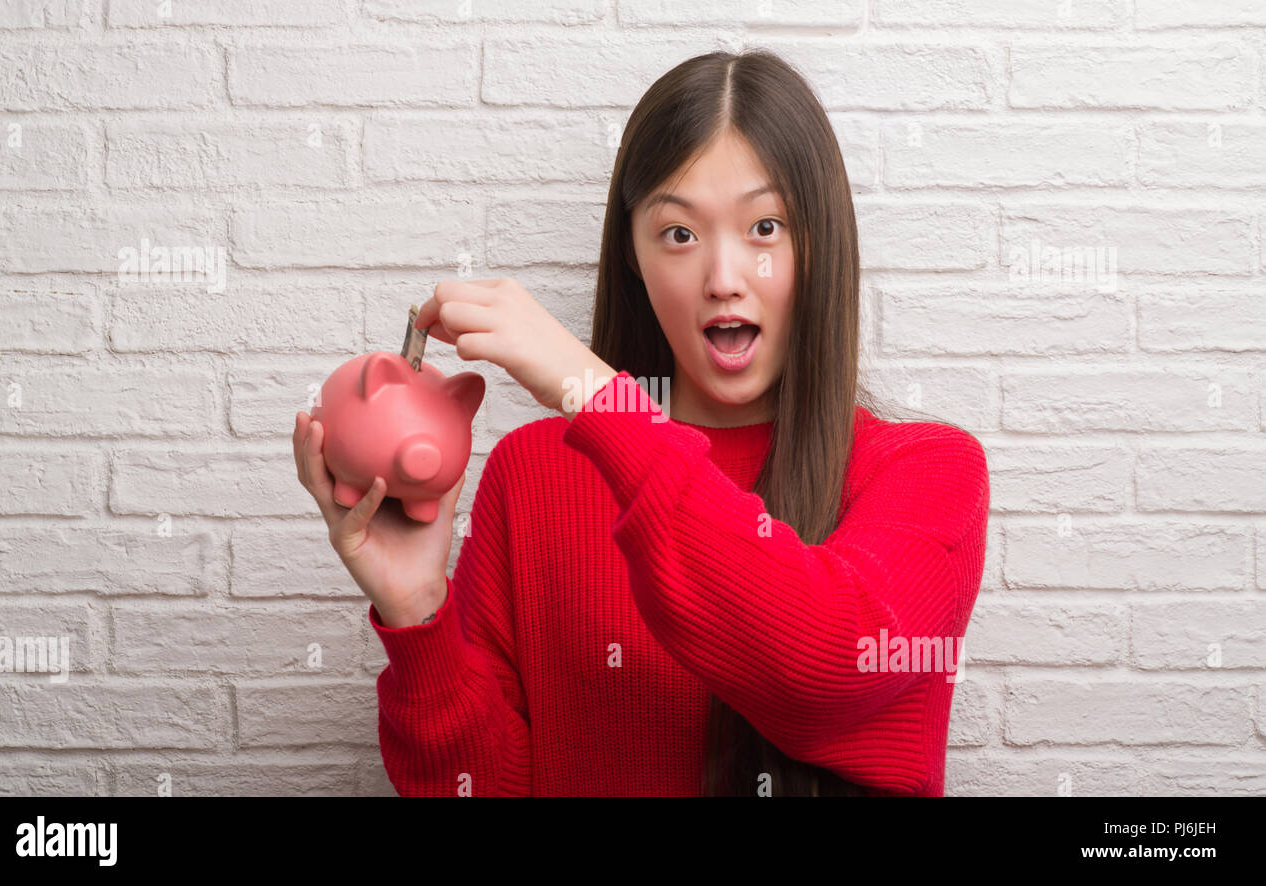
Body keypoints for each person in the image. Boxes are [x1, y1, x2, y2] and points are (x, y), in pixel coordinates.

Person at [292, 49, 990, 796]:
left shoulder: (927, 471)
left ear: (819, 246)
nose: (724, 278)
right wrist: (417, 612)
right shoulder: (533, 473)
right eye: (680, 234)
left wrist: (596, 393)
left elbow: (835, 659)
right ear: (633, 257)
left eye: (765, 227)